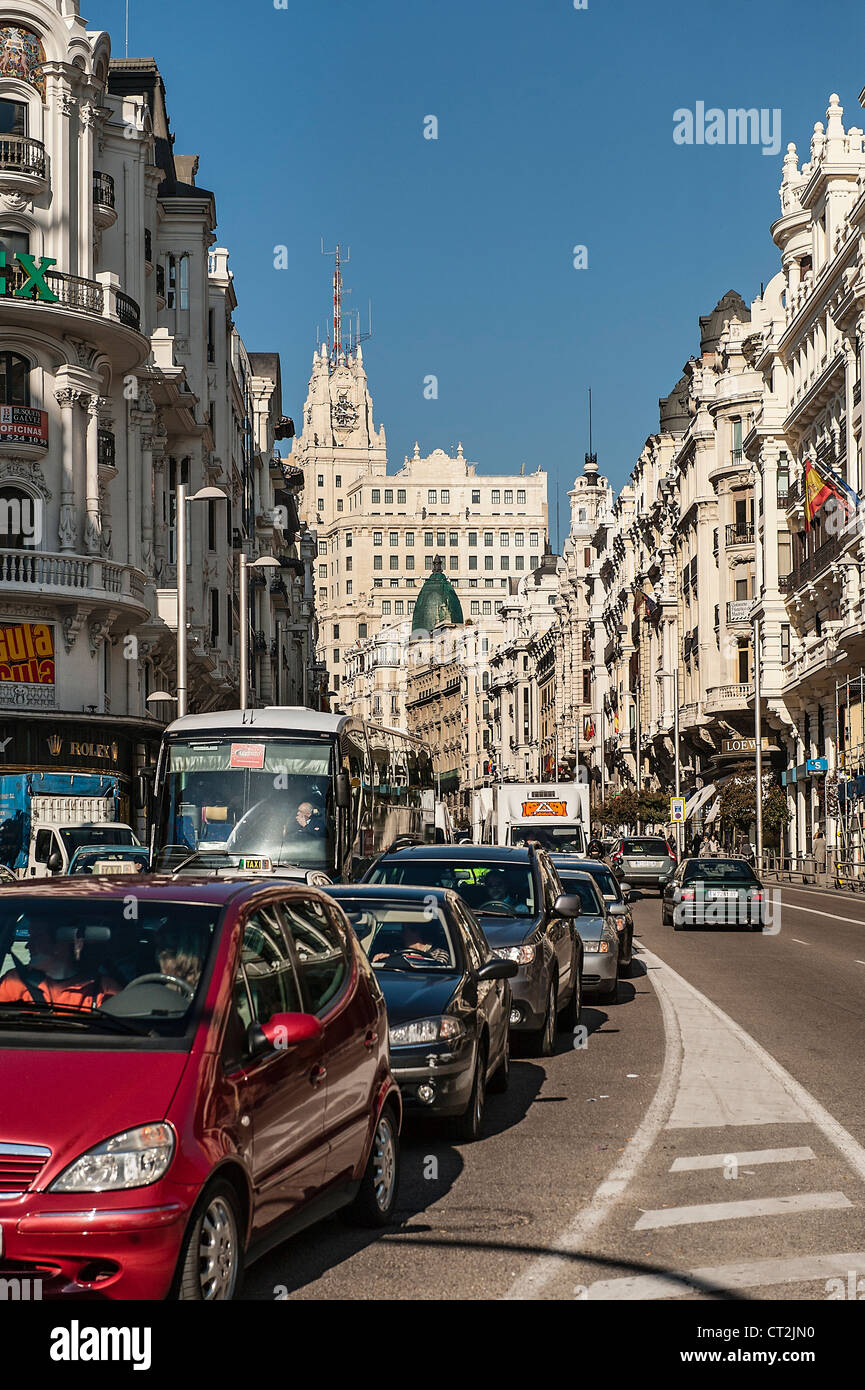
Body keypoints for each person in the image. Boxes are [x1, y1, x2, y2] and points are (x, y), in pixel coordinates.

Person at [0, 912, 119, 1009]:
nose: (28, 946)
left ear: (59, 945)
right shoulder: (13, 982)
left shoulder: (103, 991)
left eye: (36, 939)